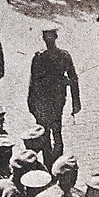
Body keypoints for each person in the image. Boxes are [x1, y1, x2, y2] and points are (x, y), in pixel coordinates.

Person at [27, 24, 81, 167]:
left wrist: (31, 103)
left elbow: (33, 82)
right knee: (56, 131)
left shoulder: (39, 56)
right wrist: (76, 101)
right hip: (56, 99)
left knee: (46, 132)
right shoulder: (63, 55)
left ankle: (50, 164)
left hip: (46, 101)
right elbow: (73, 79)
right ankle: (57, 164)